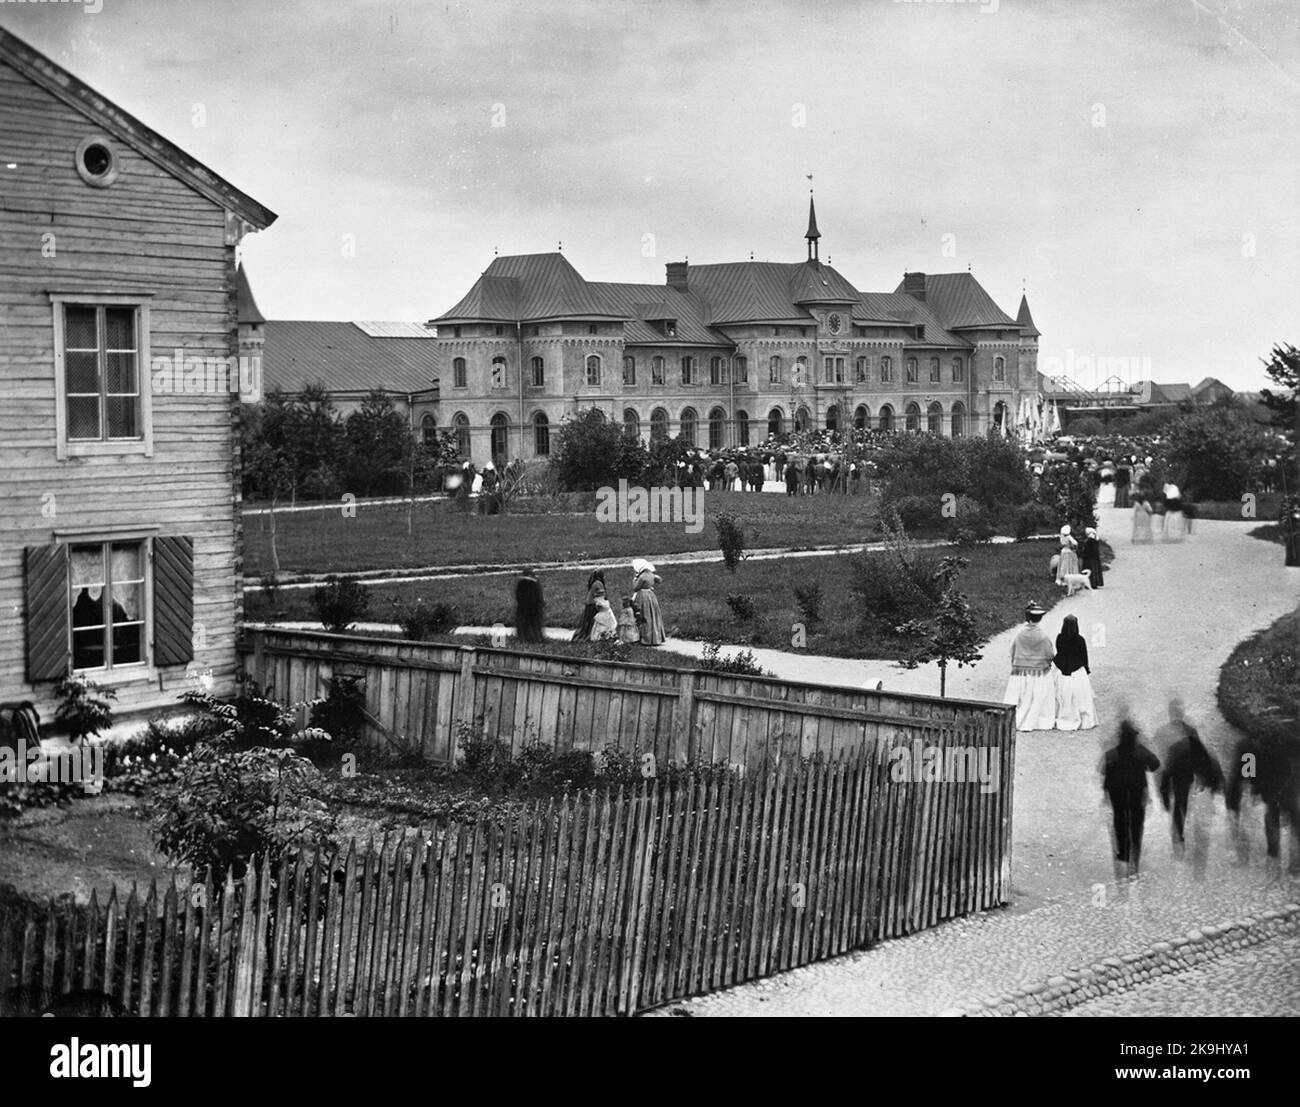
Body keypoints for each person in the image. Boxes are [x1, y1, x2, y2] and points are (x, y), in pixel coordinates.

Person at [1156, 700, 1223, 874]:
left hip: (1182, 778)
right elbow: (1205, 758)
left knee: (1180, 809)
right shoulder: (1188, 733)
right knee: (1182, 809)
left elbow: (1165, 766)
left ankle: (1179, 844)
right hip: (1184, 777)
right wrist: (1213, 783)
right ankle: (1182, 844)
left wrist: (1163, 793)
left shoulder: (1170, 736)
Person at [1225, 728, 1300, 873]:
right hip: (1284, 783)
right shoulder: (1281, 742)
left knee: (1277, 814)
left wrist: (1233, 804)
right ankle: (1285, 863)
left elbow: (1241, 778)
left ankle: (1276, 861)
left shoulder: (1249, 749)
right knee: (1290, 815)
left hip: (1276, 785)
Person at [1101, 718, 1161, 880]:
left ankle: (1123, 860)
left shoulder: (1112, 754)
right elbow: (1156, 764)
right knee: (1136, 828)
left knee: (1120, 827)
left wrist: (1105, 795)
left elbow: (1104, 773)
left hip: (1117, 796)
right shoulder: (1140, 751)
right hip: (1136, 795)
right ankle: (1134, 862)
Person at [1003, 601, 1058, 731]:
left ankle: (1018, 719)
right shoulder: (1043, 637)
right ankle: (1038, 720)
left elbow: (1012, 650)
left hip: (1020, 671)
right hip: (1038, 673)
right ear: (1040, 619)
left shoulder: (1019, 634)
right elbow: (1050, 654)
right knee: (1038, 696)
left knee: (1019, 697)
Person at [1053, 614, 1096, 731]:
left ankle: (1060, 716)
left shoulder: (1060, 638)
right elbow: (1084, 656)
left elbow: (1059, 652)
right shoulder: (1080, 640)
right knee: (1080, 696)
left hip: (1062, 670)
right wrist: (1086, 669)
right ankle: (1082, 718)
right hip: (1076, 671)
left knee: (1061, 694)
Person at [631, 558, 665, 645]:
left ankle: (643, 638)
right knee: (652, 614)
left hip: (642, 595)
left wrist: (634, 579)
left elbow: (635, 587)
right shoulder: (651, 574)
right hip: (650, 594)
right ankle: (655, 637)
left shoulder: (642, 577)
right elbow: (659, 579)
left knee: (643, 614)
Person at [572, 569, 606, 642]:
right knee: (593, 623)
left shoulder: (593, 583)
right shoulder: (599, 583)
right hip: (594, 605)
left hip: (589, 605)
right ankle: (592, 636)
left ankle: (586, 635)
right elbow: (601, 595)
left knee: (587, 623)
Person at [514, 568, 545, 644]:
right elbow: (539, 597)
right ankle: (536, 640)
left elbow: (518, 596)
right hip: (534, 608)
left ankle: (526, 640)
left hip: (525, 608)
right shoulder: (535, 583)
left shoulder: (521, 583)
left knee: (526, 625)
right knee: (534, 626)